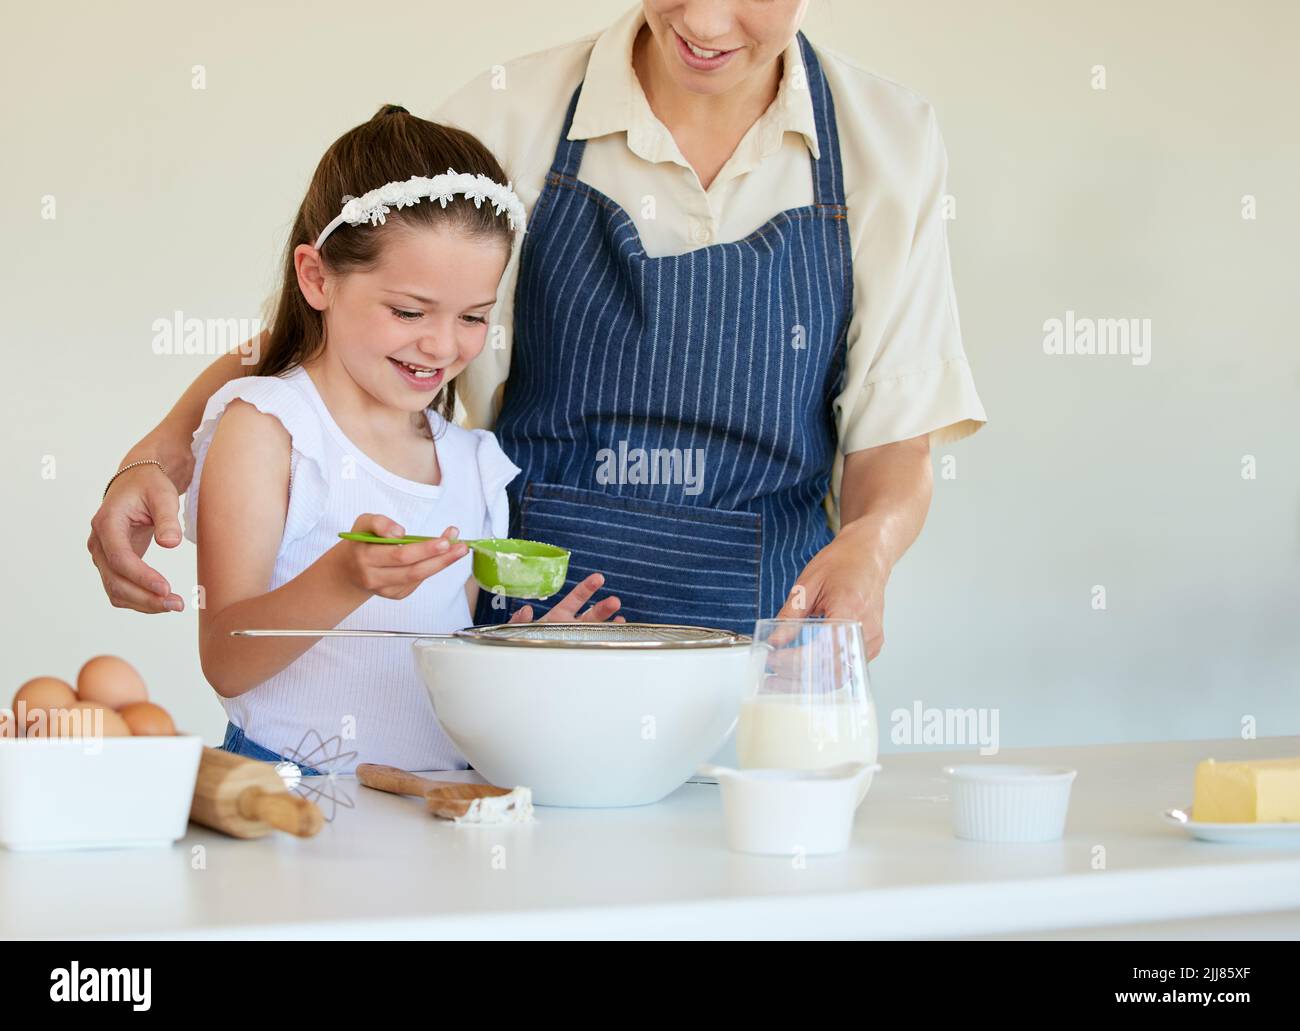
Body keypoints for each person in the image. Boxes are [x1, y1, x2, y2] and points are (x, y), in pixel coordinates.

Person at [89, 2, 987, 658]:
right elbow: (333, 320)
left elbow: (894, 441)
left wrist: (870, 547)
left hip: (766, 658)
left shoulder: (889, 142)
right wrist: (159, 451)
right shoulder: (512, 111)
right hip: (529, 655)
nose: (708, 20)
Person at [184, 106, 619, 772]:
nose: (442, 344)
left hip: (429, 804)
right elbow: (227, 657)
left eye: (473, 316)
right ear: (317, 277)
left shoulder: (472, 464)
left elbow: (436, 675)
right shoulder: (270, 430)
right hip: (289, 796)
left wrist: (518, 661)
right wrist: (343, 576)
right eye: (409, 311)